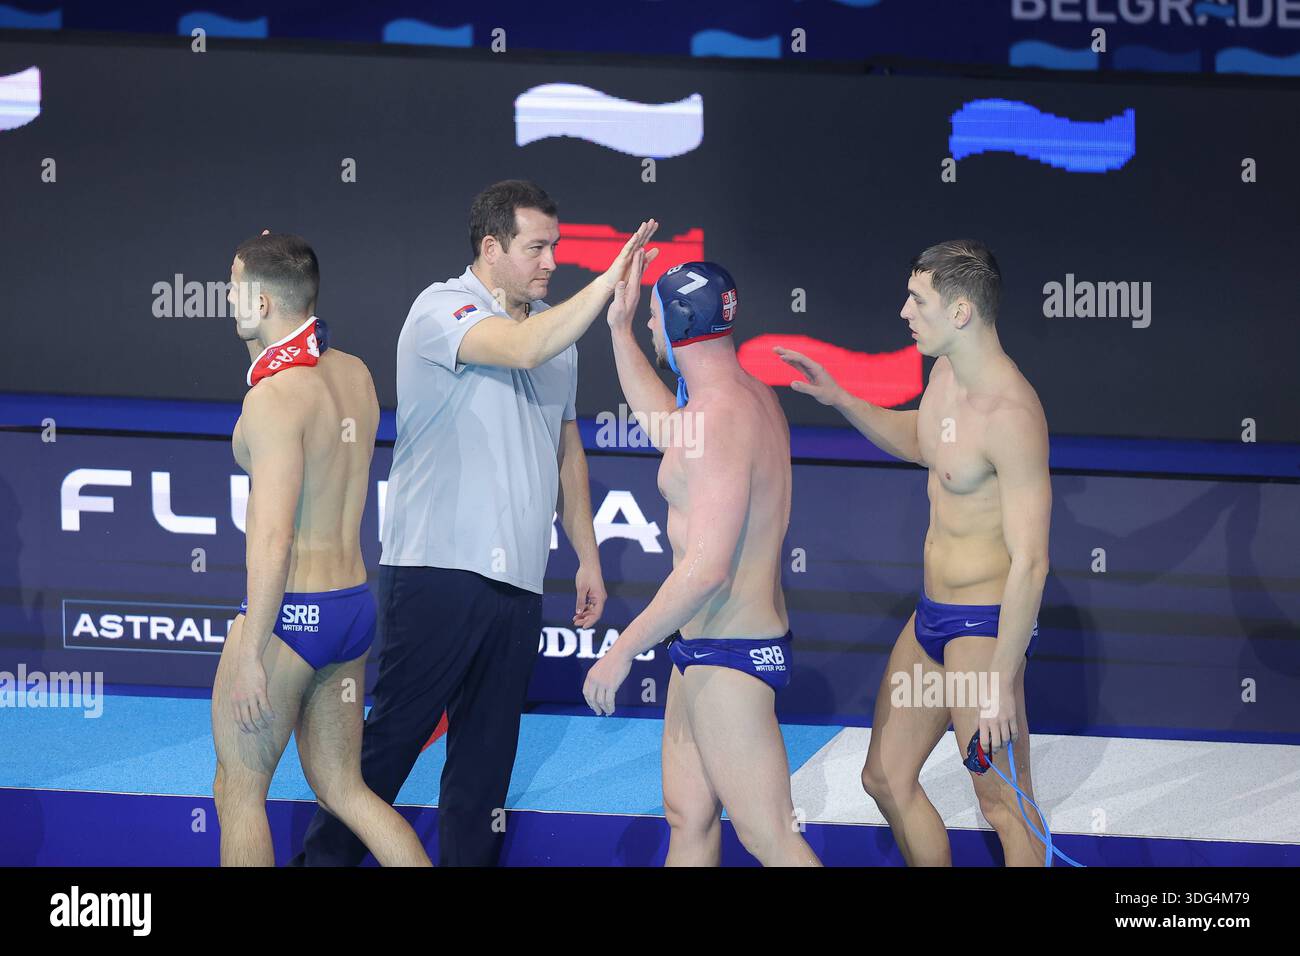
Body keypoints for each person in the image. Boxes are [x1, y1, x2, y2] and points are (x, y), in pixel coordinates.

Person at [295, 180, 658, 865]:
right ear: (492, 248)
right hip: (437, 569)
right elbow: (521, 349)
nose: (552, 261)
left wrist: (586, 554)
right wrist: (610, 281)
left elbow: (566, 448)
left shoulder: (558, 334)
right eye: (537, 247)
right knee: (392, 742)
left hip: (518, 580)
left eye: (556, 246)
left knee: (486, 768)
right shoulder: (441, 308)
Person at [778, 239, 1051, 866]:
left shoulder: (1011, 414)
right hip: (932, 616)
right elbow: (927, 442)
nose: (904, 311)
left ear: (960, 311)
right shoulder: (945, 374)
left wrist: (999, 680)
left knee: (1005, 806)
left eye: (917, 300)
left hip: (983, 628)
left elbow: (1032, 561)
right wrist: (844, 399)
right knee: (885, 776)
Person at [584, 257, 821, 867]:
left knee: (770, 836)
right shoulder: (736, 399)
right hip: (703, 647)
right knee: (688, 817)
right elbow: (671, 431)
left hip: (731, 653)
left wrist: (621, 650)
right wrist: (619, 332)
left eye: (653, 317)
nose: (651, 328)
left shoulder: (718, 418)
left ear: (678, 321)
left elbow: (708, 568)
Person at [212, 230, 431, 866]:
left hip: (289, 616)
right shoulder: (354, 374)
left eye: (233, 288)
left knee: (239, 791)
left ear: (260, 303)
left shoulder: (274, 399)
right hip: (350, 609)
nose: (226, 298)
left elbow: (274, 536)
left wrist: (251, 650)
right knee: (344, 789)